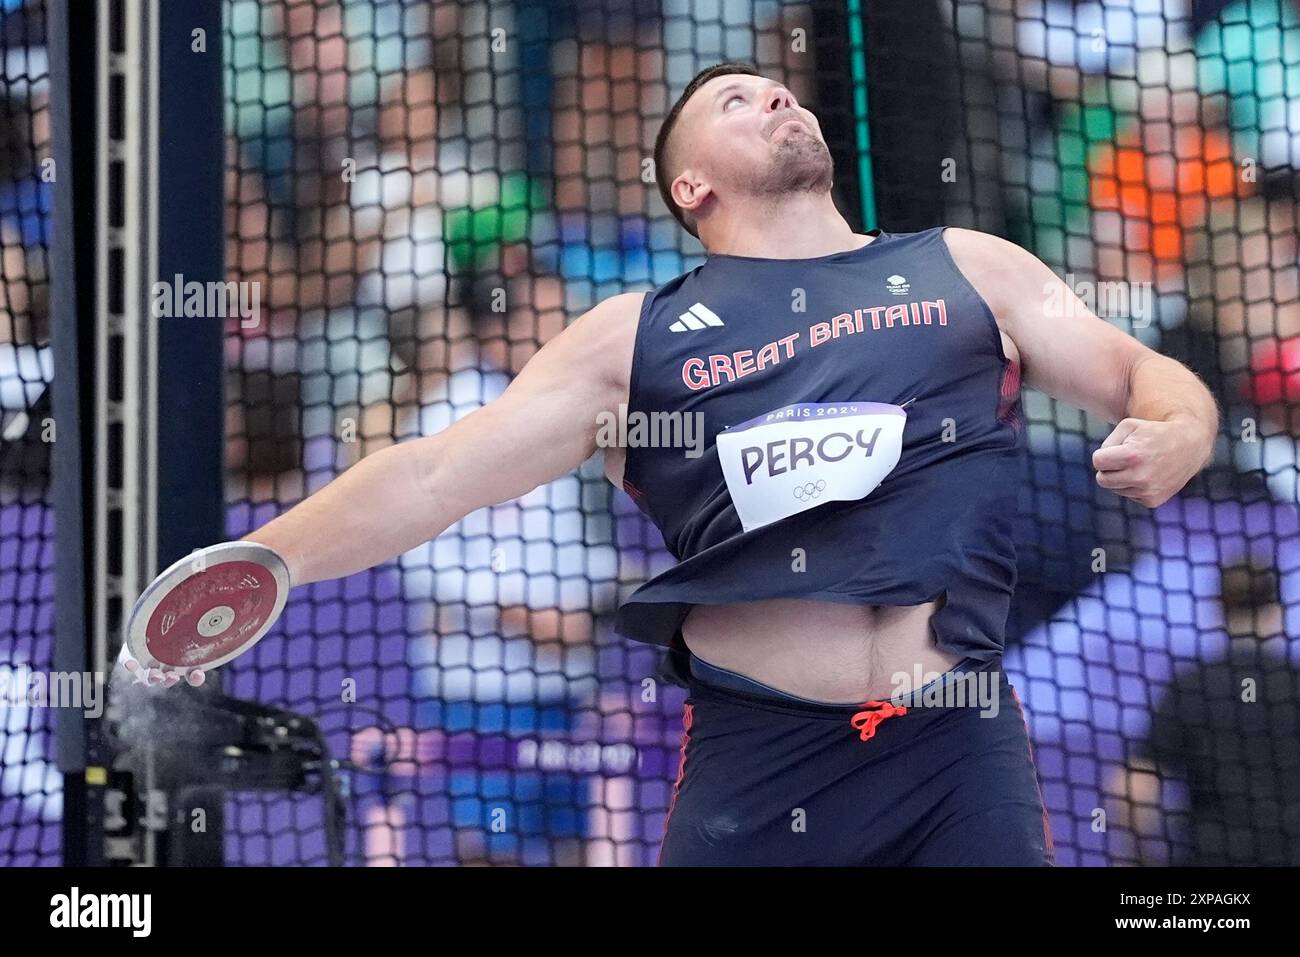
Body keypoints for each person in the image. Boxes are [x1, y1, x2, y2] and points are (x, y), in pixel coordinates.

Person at [144, 62, 1219, 865]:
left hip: (952, 741)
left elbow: (1141, 372)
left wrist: (1178, 427)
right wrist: (265, 561)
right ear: (689, 185)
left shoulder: (965, 266)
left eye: (782, 92)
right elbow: (433, 477)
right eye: (738, 101)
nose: (779, 100)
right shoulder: (633, 338)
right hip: (759, 759)